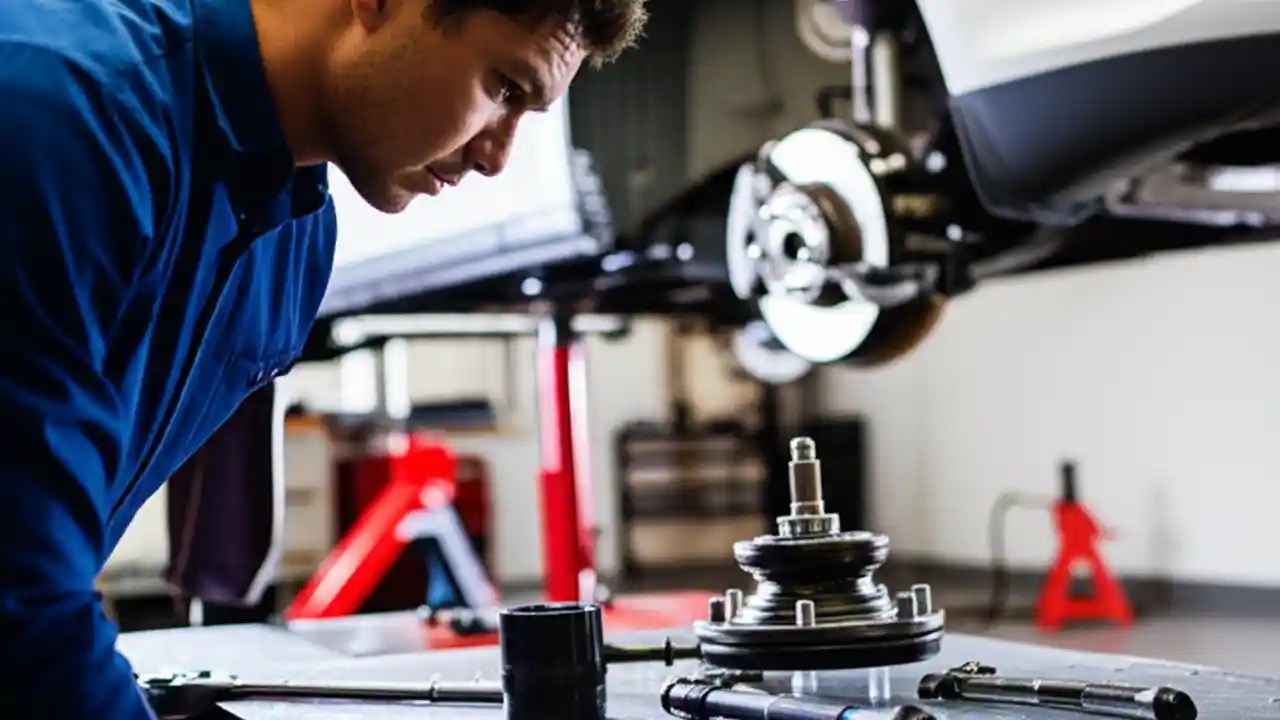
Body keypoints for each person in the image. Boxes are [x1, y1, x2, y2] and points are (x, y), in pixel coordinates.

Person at [0, 0, 647, 716]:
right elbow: (19, 592)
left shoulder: (295, 241)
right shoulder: (60, 108)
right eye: (503, 88)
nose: (496, 158)